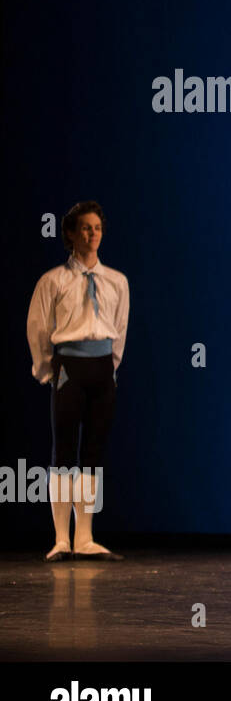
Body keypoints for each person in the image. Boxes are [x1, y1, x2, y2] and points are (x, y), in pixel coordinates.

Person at [26, 201, 129, 562]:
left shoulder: (116, 281)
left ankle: (85, 537)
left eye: (97, 227)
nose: (92, 234)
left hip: (101, 369)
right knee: (64, 453)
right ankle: (61, 539)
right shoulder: (54, 280)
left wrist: (111, 370)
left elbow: (119, 331)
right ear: (70, 233)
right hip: (69, 366)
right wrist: (46, 370)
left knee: (93, 454)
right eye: (85, 228)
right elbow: (38, 328)